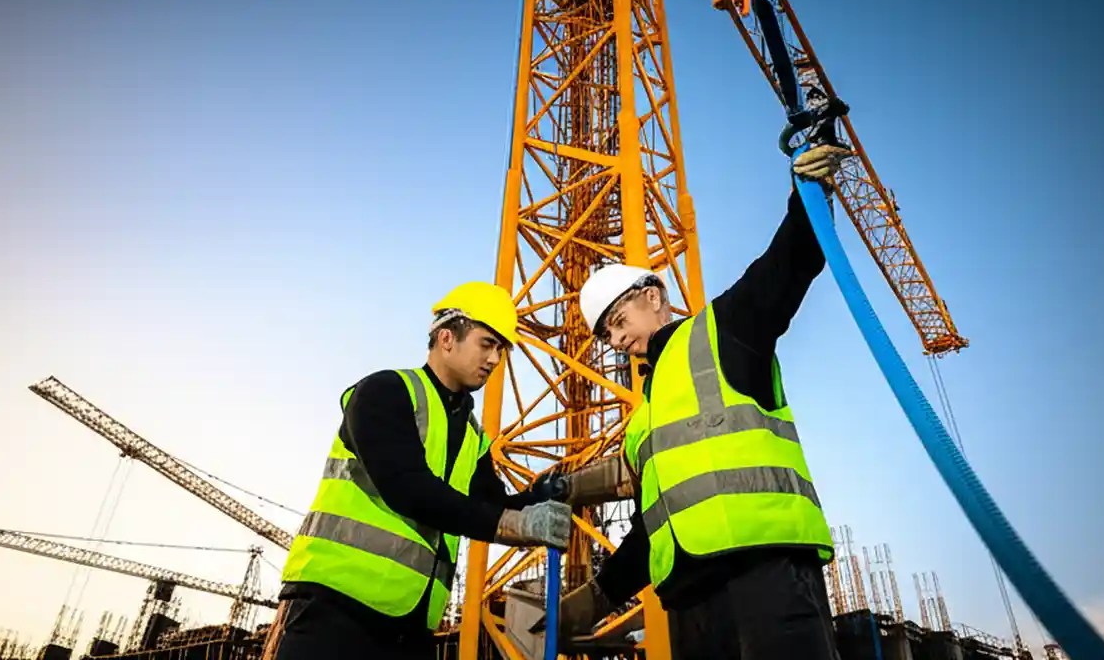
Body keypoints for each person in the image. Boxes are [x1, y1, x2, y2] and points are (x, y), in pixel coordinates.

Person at [537, 143, 854, 659]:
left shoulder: (723, 332)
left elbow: (784, 268)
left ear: (654, 297)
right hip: (689, 604)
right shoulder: (646, 418)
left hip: (765, 576)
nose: (616, 342)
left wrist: (808, 192)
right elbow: (657, 527)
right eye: (607, 336)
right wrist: (596, 598)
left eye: (618, 323)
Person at [266, 281, 573, 660]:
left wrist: (542, 497)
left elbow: (493, 506)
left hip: (411, 624)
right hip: (336, 609)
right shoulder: (385, 391)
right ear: (447, 338)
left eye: (501, 350)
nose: (495, 360)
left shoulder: (473, 436)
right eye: (486, 344)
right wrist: (518, 523)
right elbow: (406, 488)